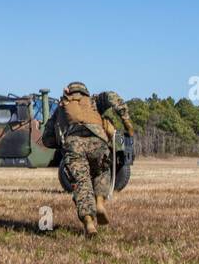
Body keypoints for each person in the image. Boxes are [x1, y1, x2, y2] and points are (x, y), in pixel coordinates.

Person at [45, 82, 134, 237]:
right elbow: (113, 97)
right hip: (98, 141)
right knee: (102, 171)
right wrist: (127, 123)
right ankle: (99, 203)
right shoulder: (94, 101)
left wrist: (61, 143)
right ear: (85, 92)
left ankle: (89, 223)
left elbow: (47, 139)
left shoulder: (61, 108)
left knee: (81, 183)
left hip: (73, 144)